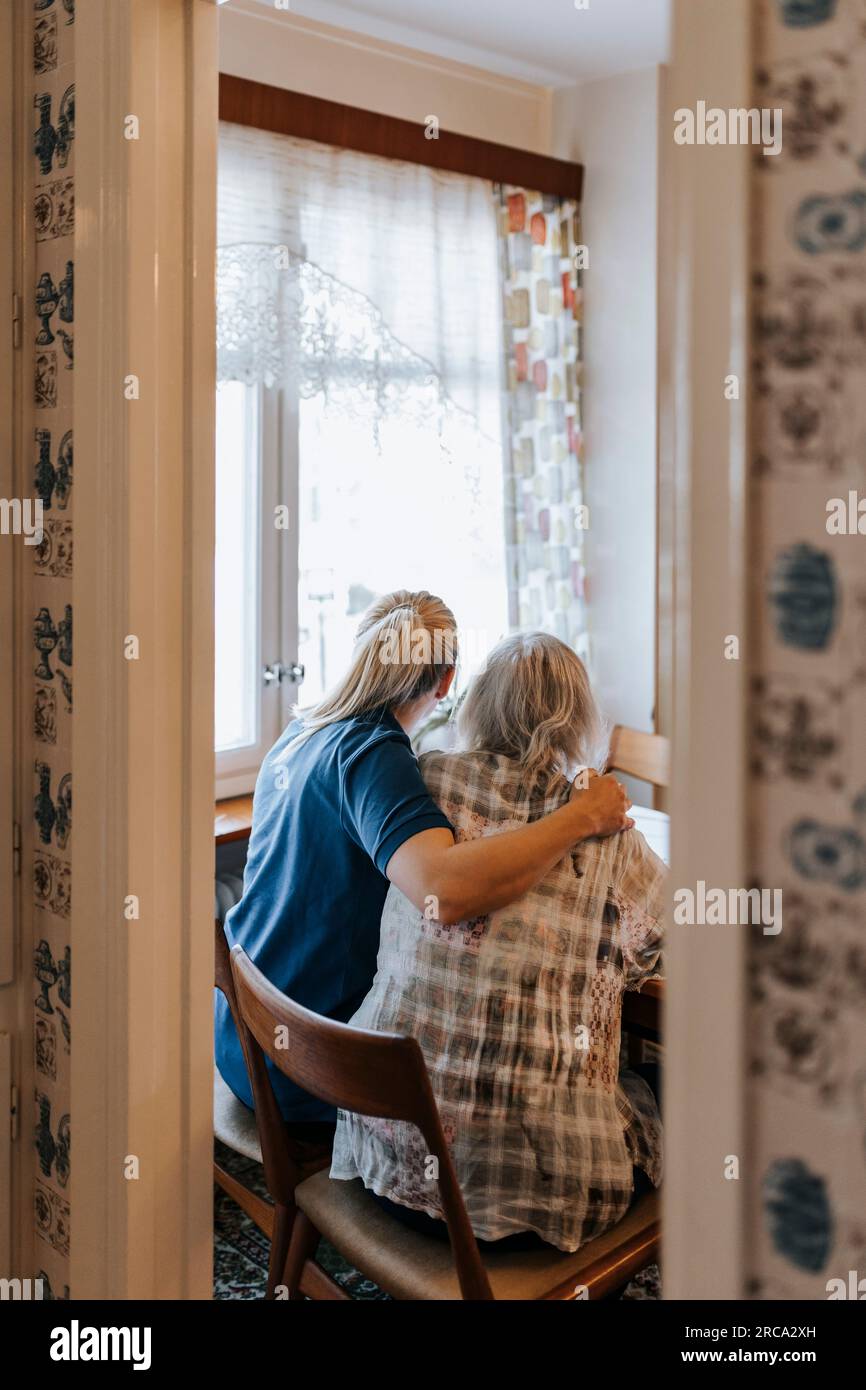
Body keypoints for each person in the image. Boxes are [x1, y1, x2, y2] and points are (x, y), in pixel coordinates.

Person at [215, 593, 634, 1142]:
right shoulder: (372, 755)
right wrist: (580, 816)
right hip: (308, 1072)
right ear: (447, 680)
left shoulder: (304, 730)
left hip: (247, 1038)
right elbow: (445, 890)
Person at [330, 631, 666, 1252]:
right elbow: (662, 943)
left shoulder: (425, 780)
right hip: (521, 1207)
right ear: (579, 721)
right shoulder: (607, 834)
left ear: (480, 703)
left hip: (384, 1158)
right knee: (665, 1082)